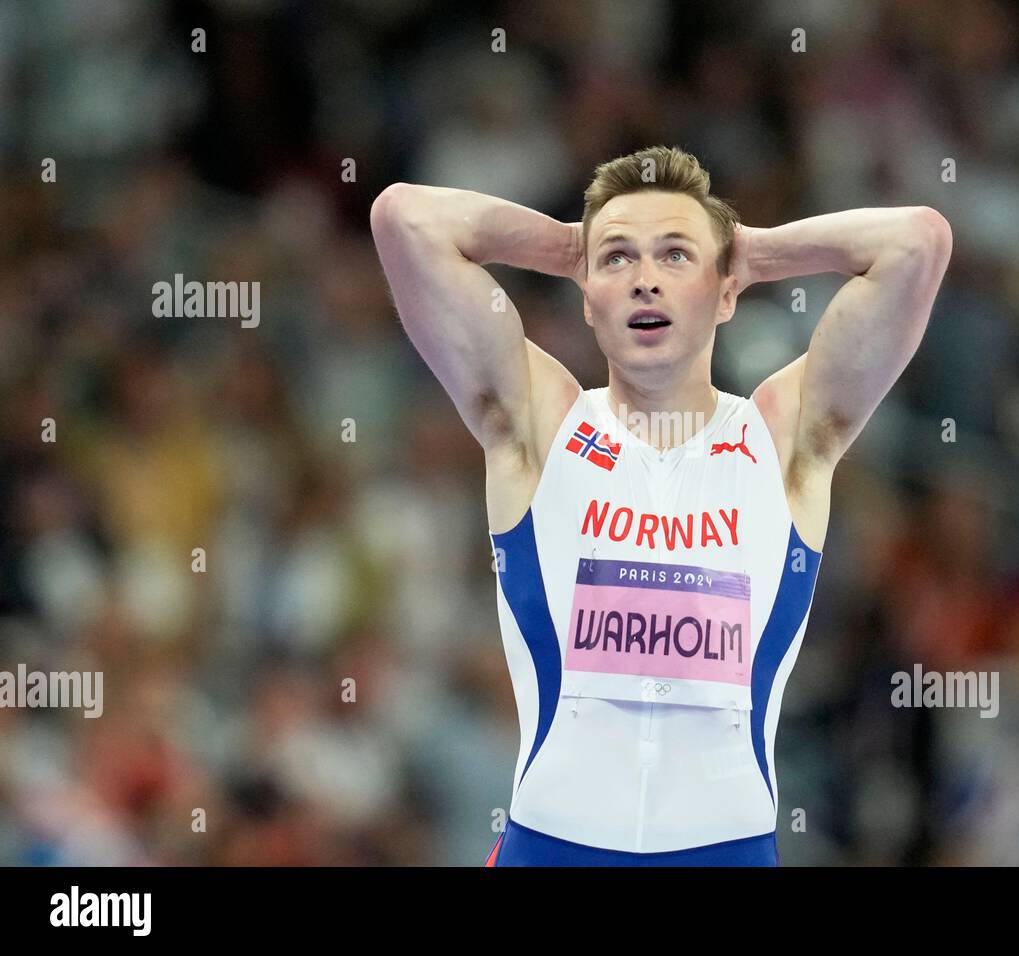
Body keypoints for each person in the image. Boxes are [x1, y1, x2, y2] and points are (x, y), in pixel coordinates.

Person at [370, 145, 951, 865]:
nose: (645, 281)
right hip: (553, 846)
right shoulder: (540, 425)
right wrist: (570, 246)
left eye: (676, 257)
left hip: (722, 850)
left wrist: (753, 253)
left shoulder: (783, 435)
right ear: (586, 296)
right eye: (619, 261)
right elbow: (405, 219)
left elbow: (917, 241)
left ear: (727, 291)